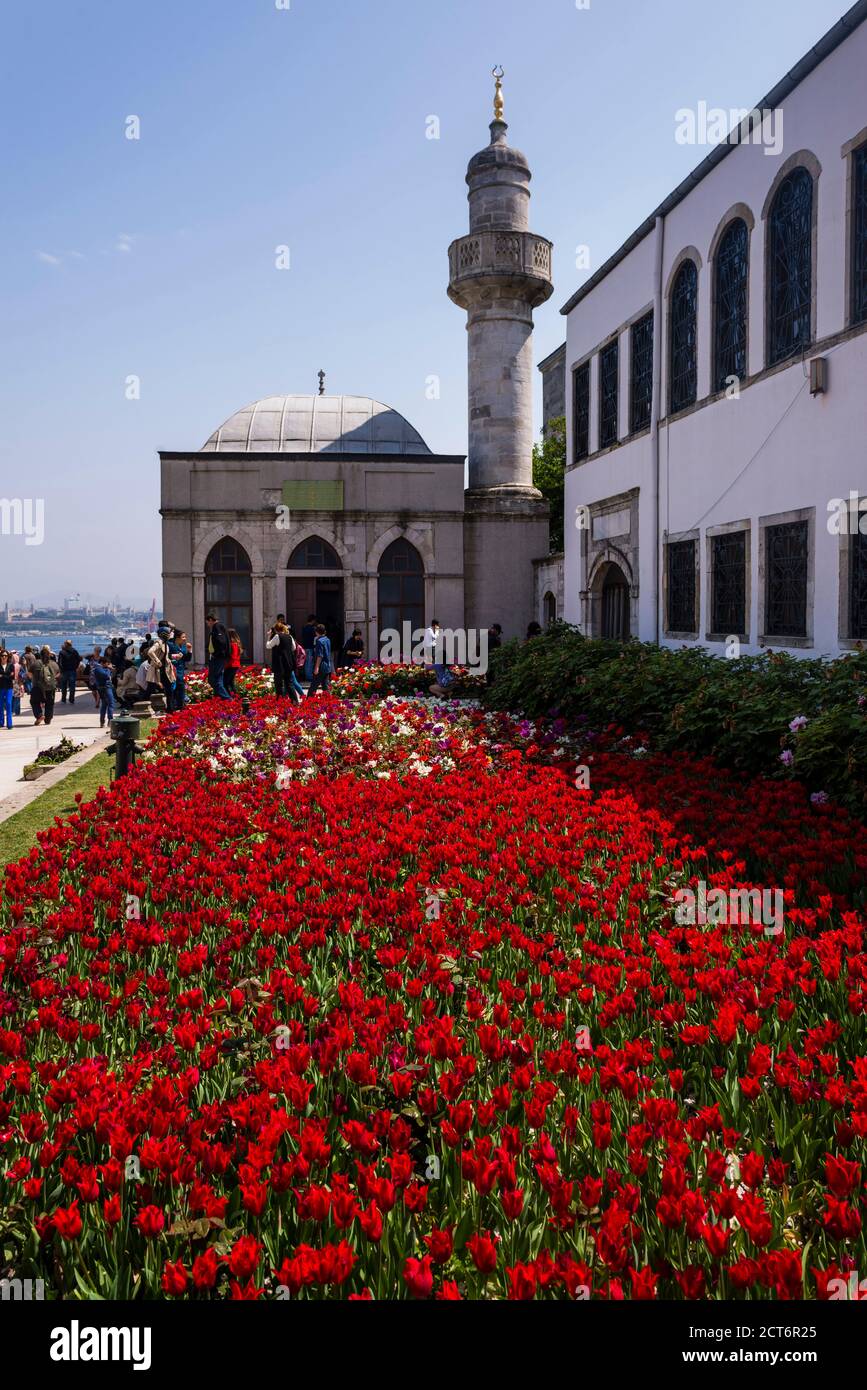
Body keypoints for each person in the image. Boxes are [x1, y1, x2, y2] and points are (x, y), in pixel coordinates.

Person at [266, 620, 305, 702]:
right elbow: (294, 648)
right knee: (289, 684)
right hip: (288, 663)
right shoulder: (289, 636)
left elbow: (268, 646)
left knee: (278, 684)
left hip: (279, 664)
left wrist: (269, 636)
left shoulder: (277, 636)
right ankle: (295, 701)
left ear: (276, 629)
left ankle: (280, 702)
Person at [30, 646, 60, 726]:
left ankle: (39, 715)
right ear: (49, 655)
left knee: (34, 702)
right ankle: (48, 719)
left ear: (40, 654)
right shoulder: (53, 664)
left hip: (38, 687)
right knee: (50, 703)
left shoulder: (36, 663)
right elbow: (58, 674)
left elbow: (29, 674)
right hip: (50, 687)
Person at [424, 619, 454, 696]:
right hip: (451, 684)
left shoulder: (438, 664)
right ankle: (449, 693)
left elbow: (427, 667)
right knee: (437, 681)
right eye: (437, 626)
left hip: (444, 685)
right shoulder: (447, 663)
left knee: (431, 687)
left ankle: (442, 695)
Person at [205, 614, 231, 699]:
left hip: (218, 658)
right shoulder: (220, 627)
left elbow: (221, 642)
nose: (207, 624)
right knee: (218, 679)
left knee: (213, 680)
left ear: (210, 620)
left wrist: (216, 654)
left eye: (208, 622)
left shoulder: (217, 627)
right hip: (221, 658)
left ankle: (227, 698)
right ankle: (221, 698)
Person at [90, 651, 116, 728]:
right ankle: (110, 720)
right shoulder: (98, 669)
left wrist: (110, 669)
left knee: (104, 704)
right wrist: (109, 669)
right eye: (107, 664)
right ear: (103, 663)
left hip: (105, 688)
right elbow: (107, 676)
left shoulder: (102, 668)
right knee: (110, 704)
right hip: (105, 688)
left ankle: (102, 722)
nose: (108, 665)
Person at [307, 623, 333, 697]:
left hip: (321, 666)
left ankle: (308, 701)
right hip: (327, 665)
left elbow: (319, 656)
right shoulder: (327, 640)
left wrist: (316, 667)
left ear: (316, 632)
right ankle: (329, 701)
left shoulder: (319, 641)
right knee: (325, 686)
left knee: (313, 686)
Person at [169, 629, 191, 709]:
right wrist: (174, 656)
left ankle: (180, 705)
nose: (185, 638)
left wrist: (189, 651)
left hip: (181, 670)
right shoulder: (171, 645)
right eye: (183, 637)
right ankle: (178, 705)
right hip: (174, 670)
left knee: (180, 687)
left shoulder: (183, 646)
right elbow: (167, 656)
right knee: (177, 688)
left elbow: (187, 659)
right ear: (177, 638)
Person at [225, 628, 243, 695]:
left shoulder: (232, 644)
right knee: (231, 682)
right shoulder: (237, 643)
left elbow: (232, 656)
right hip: (235, 665)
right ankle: (235, 696)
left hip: (231, 665)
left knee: (225, 682)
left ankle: (229, 697)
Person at [0, 650, 15, 729]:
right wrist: (7, 675)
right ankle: (1, 722)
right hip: (1, 688)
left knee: (9, 704)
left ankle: (9, 724)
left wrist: (2, 675)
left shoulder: (11, 665)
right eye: (2, 655)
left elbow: (12, 677)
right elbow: (9, 676)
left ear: (8, 657)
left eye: (5, 656)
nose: (4, 657)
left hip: (9, 688)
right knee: (0, 705)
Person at [301, 614, 317, 682]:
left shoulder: (304, 627)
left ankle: (306, 675)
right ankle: (309, 676)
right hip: (310, 647)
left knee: (306, 662)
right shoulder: (312, 629)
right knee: (309, 662)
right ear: (313, 620)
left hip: (304, 646)